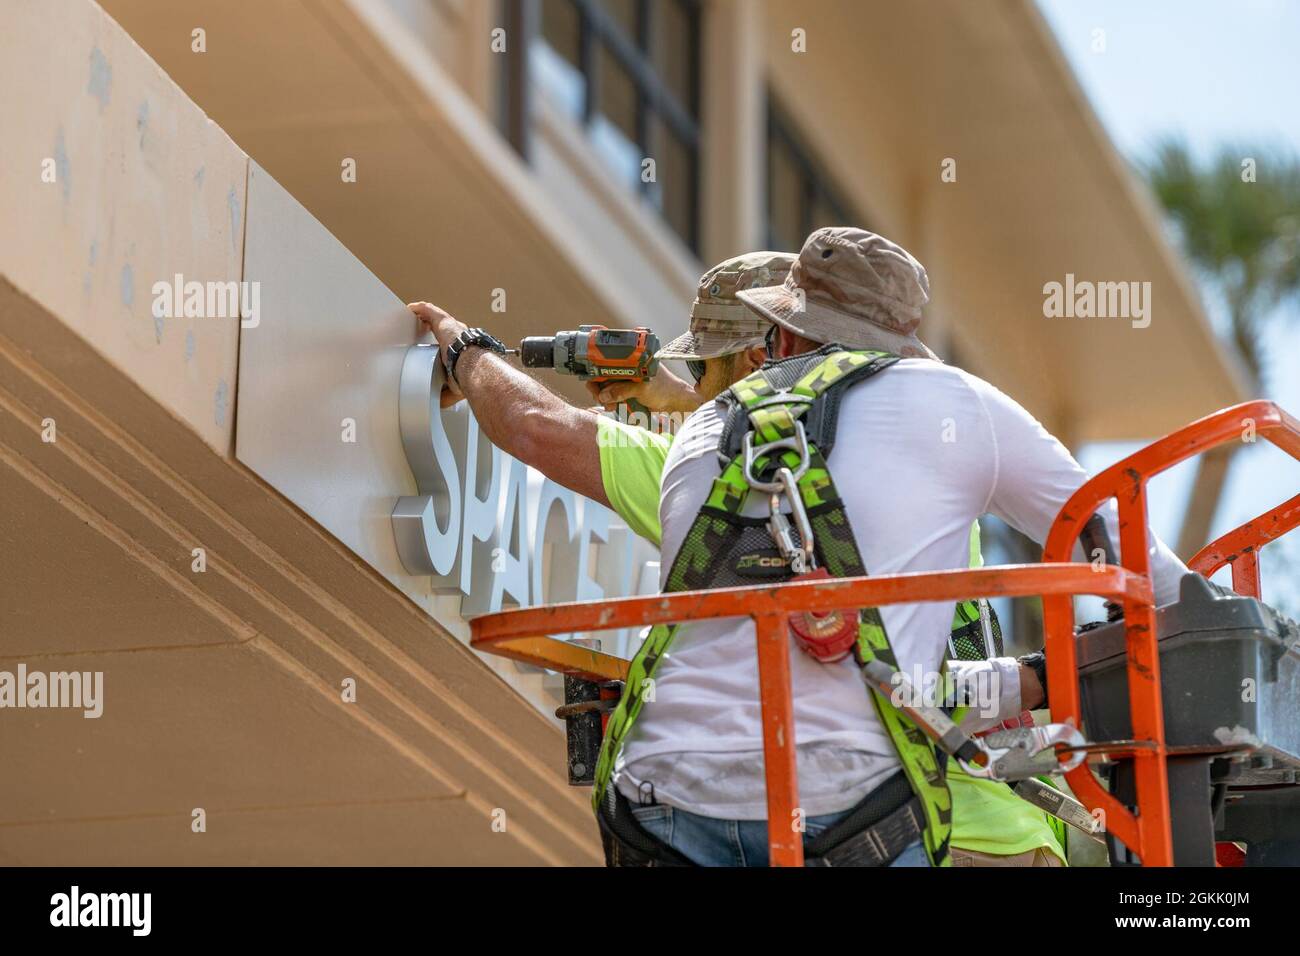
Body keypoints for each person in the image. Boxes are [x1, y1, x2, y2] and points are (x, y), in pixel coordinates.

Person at [409, 250, 1065, 867]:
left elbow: (533, 423)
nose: (698, 389)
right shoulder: (918, 462)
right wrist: (678, 399)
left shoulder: (704, 467)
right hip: (1002, 824)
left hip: (912, 828)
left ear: (769, 353)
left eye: (704, 369)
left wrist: (467, 349)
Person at [593, 227, 1190, 867]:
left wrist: (469, 356)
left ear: (784, 340)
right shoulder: (954, 418)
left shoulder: (704, 429)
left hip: (659, 804)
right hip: (877, 815)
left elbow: (547, 432)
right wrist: (1195, 630)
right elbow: (1127, 551)